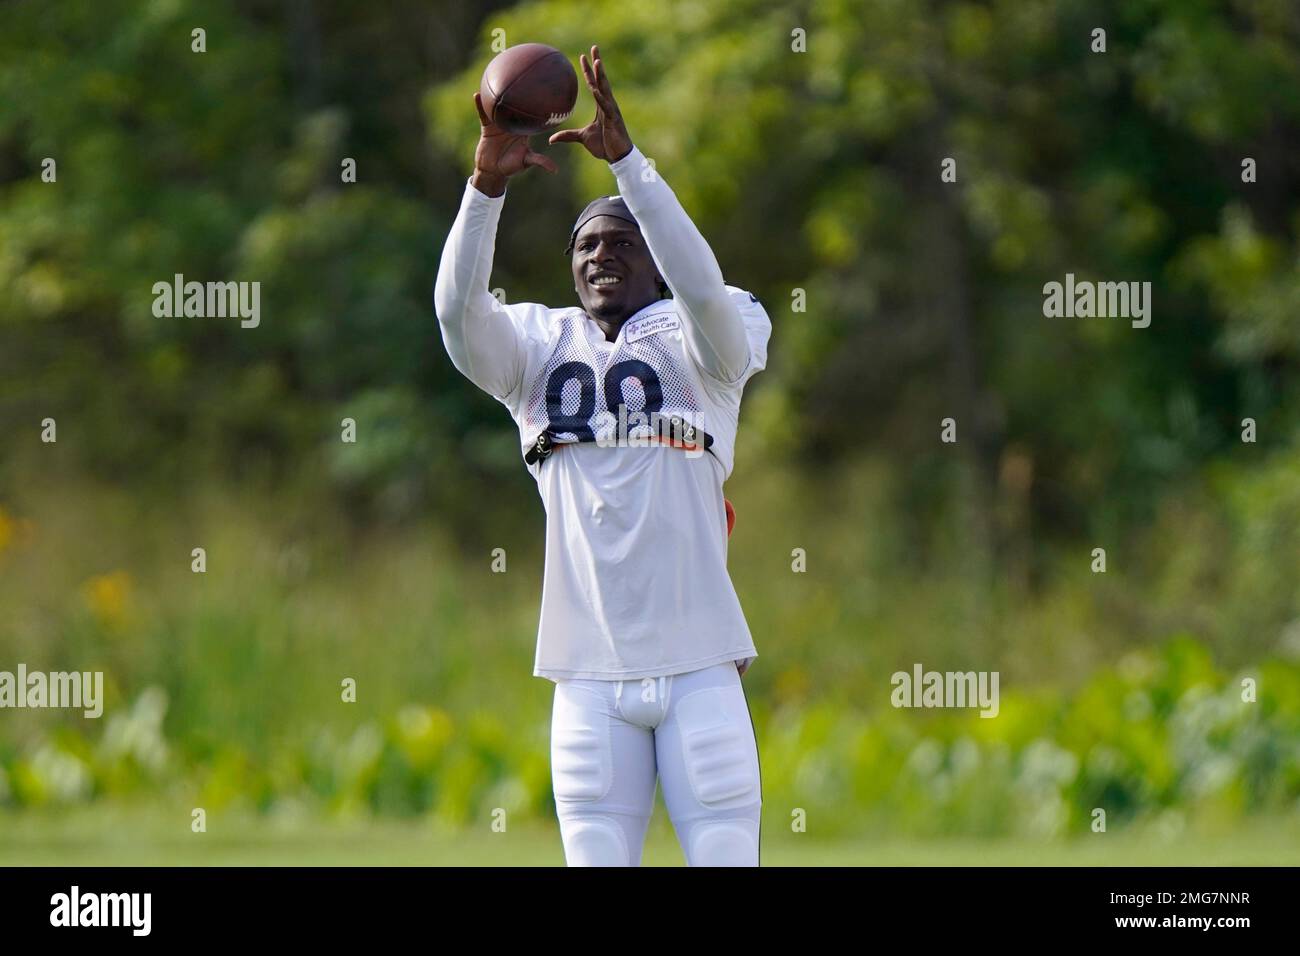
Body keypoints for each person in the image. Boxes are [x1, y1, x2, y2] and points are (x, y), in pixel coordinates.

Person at [434, 45, 771, 866]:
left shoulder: (709, 340)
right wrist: (484, 189)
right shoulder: (538, 347)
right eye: (584, 245)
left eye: (620, 241)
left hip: (700, 671)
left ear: (654, 261)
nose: (599, 253)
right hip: (586, 678)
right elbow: (455, 315)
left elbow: (700, 287)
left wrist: (633, 175)